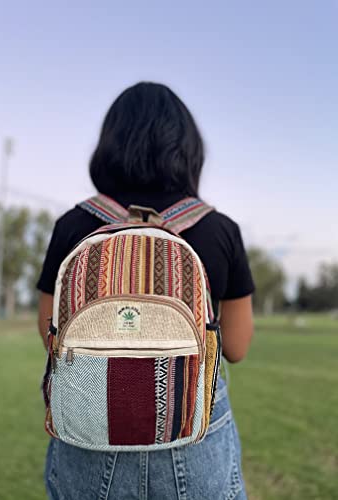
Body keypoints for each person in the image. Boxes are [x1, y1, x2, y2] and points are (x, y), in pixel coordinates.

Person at [37, 82, 254, 500]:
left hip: (89, 422)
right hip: (194, 426)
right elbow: (238, 346)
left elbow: (50, 334)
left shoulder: (73, 225)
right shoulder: (219, 230)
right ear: (189, 150)